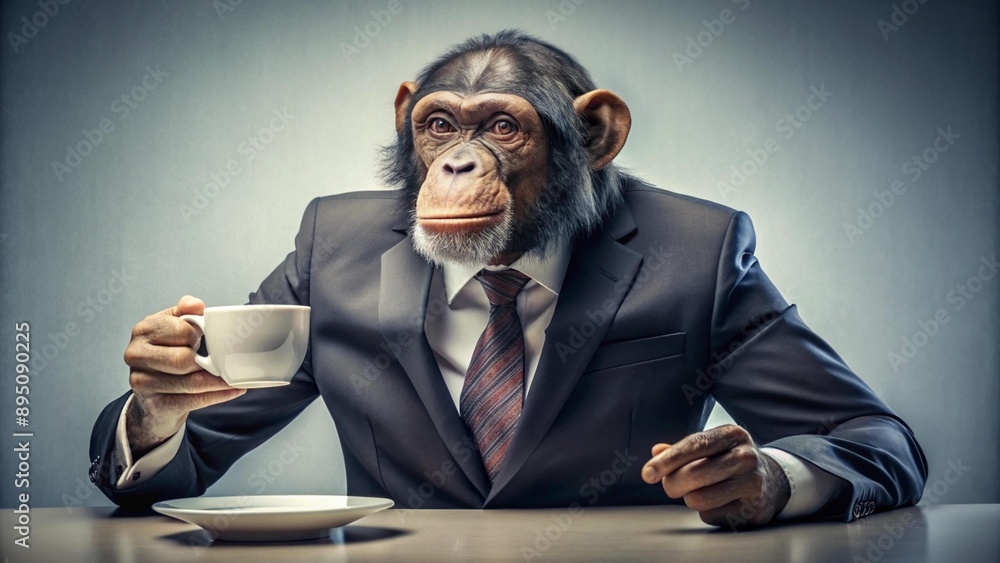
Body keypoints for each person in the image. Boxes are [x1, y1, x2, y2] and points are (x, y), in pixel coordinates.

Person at [90, 31, 926, 528]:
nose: (455, 161)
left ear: (593, 137)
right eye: (440, 127)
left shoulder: (694, 248)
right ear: (407, 124)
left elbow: (877, 442)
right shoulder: (339, 245)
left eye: (500, 129)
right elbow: (177, 465)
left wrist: (772, 480)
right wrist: (159, 411)